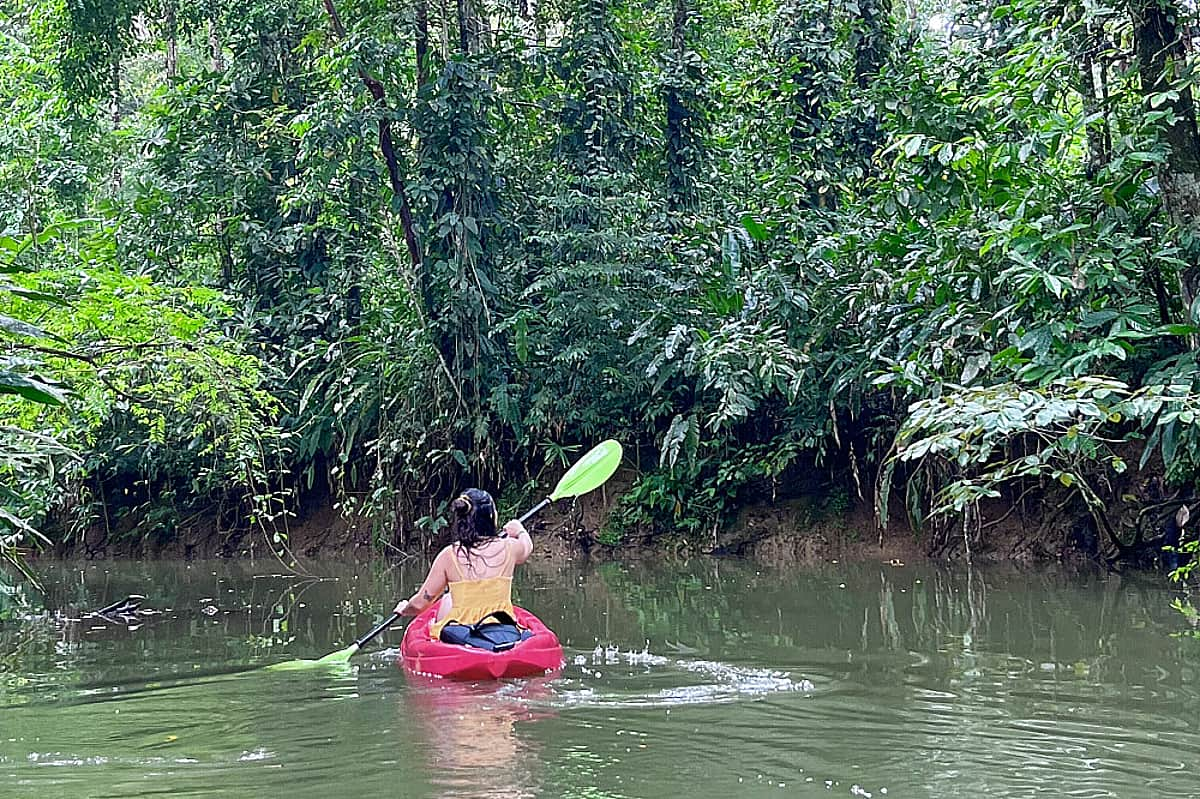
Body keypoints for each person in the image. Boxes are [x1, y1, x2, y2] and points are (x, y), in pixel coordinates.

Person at [392, 488, 534, 648]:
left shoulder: (449, 555)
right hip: (503, 630)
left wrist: (405, 609)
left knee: (447, 598)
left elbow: (420, 604)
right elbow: (527, 547)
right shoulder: (510, 547)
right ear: (491, 518)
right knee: (447, 598)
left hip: (462, 634)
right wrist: (519, 529)